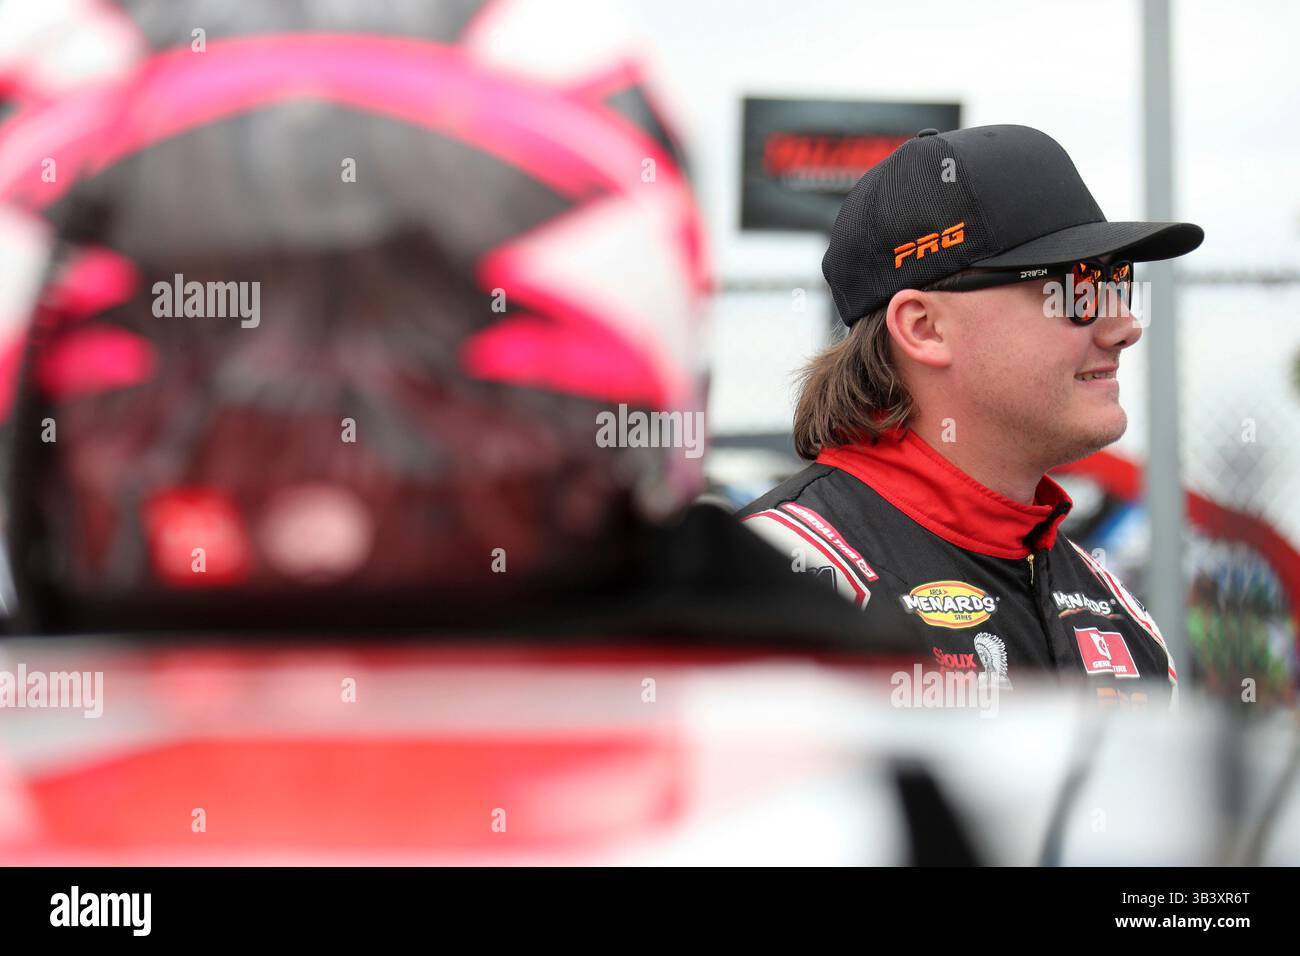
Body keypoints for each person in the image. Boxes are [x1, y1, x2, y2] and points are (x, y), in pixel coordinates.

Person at [739, 125, 1204, 706]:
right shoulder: (782, 577)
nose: (1124, 325)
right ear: (924, 328)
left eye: (1116, 279)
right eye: (1076, 287)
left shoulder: (1120, 613)